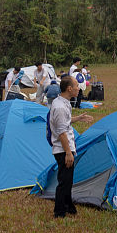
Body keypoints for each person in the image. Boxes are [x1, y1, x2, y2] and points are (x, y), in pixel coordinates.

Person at [48, 77, 81, 219]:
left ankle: (68, 207)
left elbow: (65, 122)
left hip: (66, 147)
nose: (78, 88)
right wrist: (68, 152)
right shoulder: (60, 107)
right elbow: (61, 133)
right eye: (77, 86)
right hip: (63, 149)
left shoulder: (63, 102)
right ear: (69, 88)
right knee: (64, 181)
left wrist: (78, 118)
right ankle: (59, 211)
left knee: (68, 180)